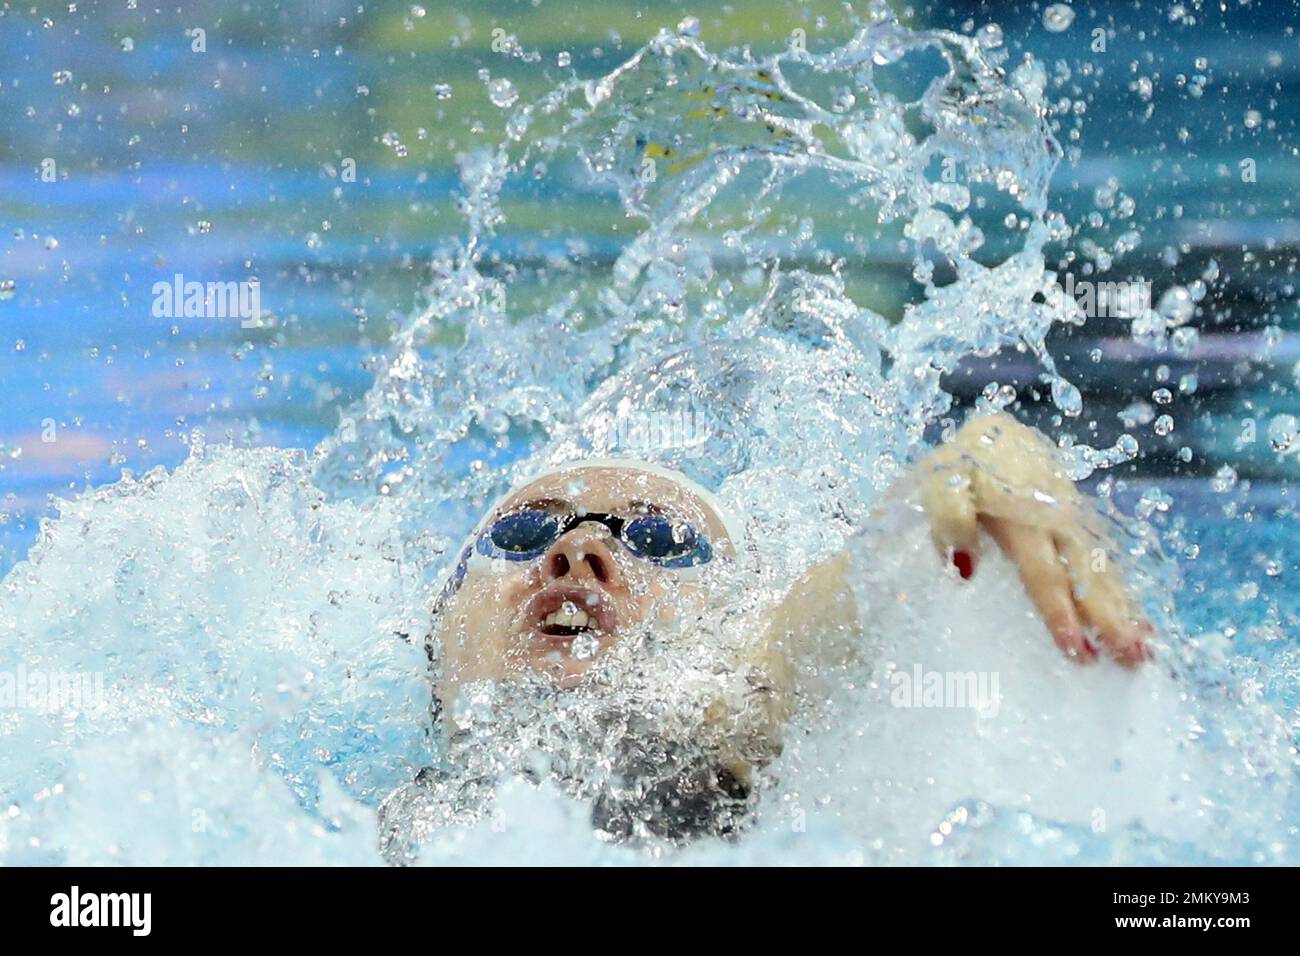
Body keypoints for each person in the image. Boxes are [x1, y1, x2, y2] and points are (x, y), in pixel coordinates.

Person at [379, 411, 1152, 860]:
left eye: (662, 542)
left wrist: (977, 463)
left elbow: (850, 602)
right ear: (437, 634)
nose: (580, 552)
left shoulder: (741, 720)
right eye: (520, 532)